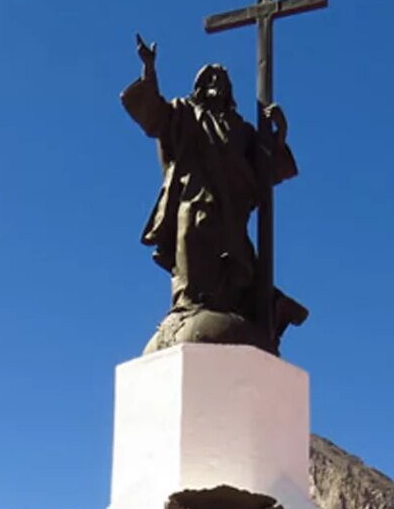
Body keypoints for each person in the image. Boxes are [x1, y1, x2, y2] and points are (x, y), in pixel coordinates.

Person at [121, 34, 308, 353]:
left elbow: (267, 171)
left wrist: (280, 134)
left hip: (231, 210)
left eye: (221, 78)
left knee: (235, 263)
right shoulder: (185, 114)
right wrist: (149, 70)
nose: (215, 82)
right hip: (193, 199)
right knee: (191, 245)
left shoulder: (243, 130)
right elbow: (154, 116)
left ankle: (259, 309)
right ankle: (189, 305)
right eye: (208, 77)